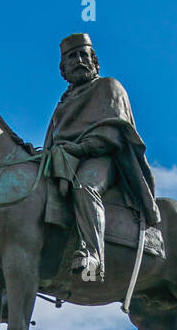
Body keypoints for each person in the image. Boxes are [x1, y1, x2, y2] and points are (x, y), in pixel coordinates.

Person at [43, 33, 159, 281]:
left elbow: (115, 132)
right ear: (63, 68)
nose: (78, 60)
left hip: (103, 157)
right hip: (64, 160)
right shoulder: (62, 103)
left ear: (93, 60)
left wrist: (82, 148)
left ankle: (93, 255)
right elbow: (51, 141)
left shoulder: (108, 87)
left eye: (83, 55)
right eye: (71, 57)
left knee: (85, 186)